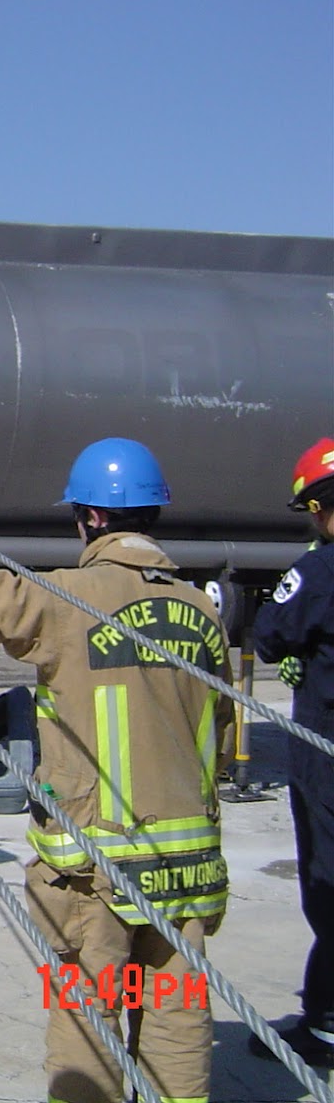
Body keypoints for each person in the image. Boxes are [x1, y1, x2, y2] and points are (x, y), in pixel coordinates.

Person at [0, 438, 232, 1103]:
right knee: (178, 1023)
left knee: (88, 1027)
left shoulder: (66, 599)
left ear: (88, 517)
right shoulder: (205, 614)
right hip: (188, 874)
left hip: (95, 873)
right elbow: (225, 741)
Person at [249, 436, 334, 1067]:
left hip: (327, 755)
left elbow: (271, 638)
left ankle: (327, 1024)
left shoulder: (319, 571)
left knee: (329, 885)